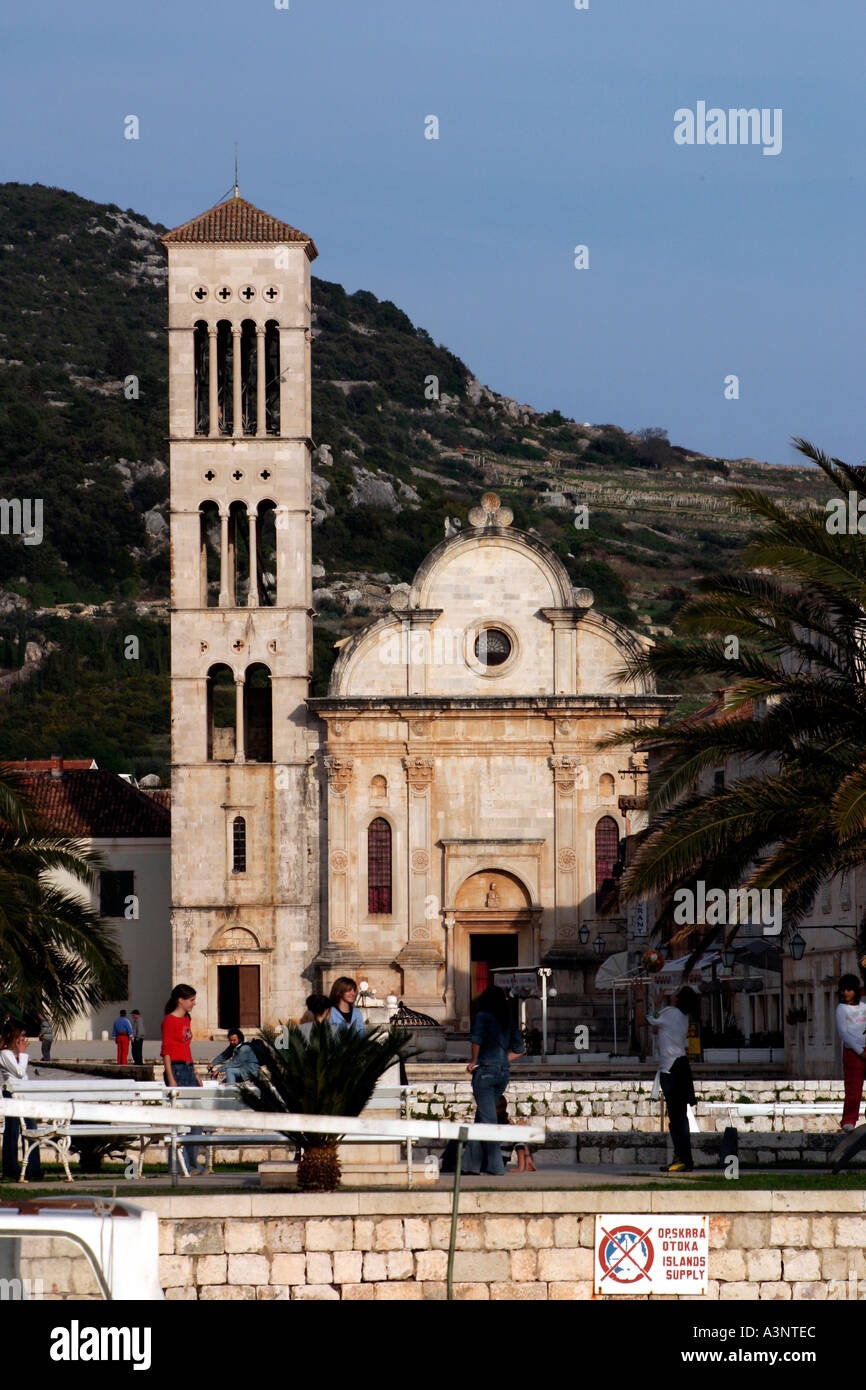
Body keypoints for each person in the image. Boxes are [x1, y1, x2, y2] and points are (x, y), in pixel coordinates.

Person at [462, 985, 525, 1176]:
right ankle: (469, 1165)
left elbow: (477, 1039)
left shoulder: (483, 1017)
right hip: (502, 1074)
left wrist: (474, 1061)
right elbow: (520, 1049)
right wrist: (501, 1060)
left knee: (487, 1119)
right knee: (482, 1116)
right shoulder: (508, 1020)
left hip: (485, 1073)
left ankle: (495, 1166)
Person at [647, 986, 700, 1174]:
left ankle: (682, 1159)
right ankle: (683, 1158)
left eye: (676, 992)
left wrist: (656, 1001)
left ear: (678, 999)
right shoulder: (682, 1016)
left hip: (671, 1068)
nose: (672, 993)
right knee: (679, 1117)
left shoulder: (670, 1012)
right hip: (680, 1066)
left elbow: (649, 1019)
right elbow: (656, 1029)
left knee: (676, 1119)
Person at [161, 985, 203, 1176]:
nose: (194, 1003)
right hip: (176, 1070)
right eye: (191, 1000)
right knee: (179, 1121)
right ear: (181, 1000)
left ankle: (192, 1163)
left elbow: (187, 1047)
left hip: (187, 1068)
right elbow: (166, 1051)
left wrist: (196, 1073)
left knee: (196, 1119)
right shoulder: (169, 1021)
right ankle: (179, 1164)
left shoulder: (187, 1019)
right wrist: (170, 1077)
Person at [1, 1022, 42, 1180]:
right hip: (12, 1093)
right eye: (21, 1035)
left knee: (31, 1129)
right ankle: (10, 1167)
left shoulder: (15, 1053)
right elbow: (19, 1072)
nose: (23, 1039)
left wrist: (21, 1054)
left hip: (24, 1094)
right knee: (12, 1131)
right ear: (12, 1036)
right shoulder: (5, 1054)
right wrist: (22, 1053)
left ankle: (33, 1167)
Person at [835, 974, 866, 1131]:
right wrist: (860, 1051)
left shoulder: (864, 1008)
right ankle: (848, 1120)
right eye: (843, 990)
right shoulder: (841, 1009)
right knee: (853, 1089)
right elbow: (844, 1034)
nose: (845, 993)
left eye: (849, 989)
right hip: (852, 1052)